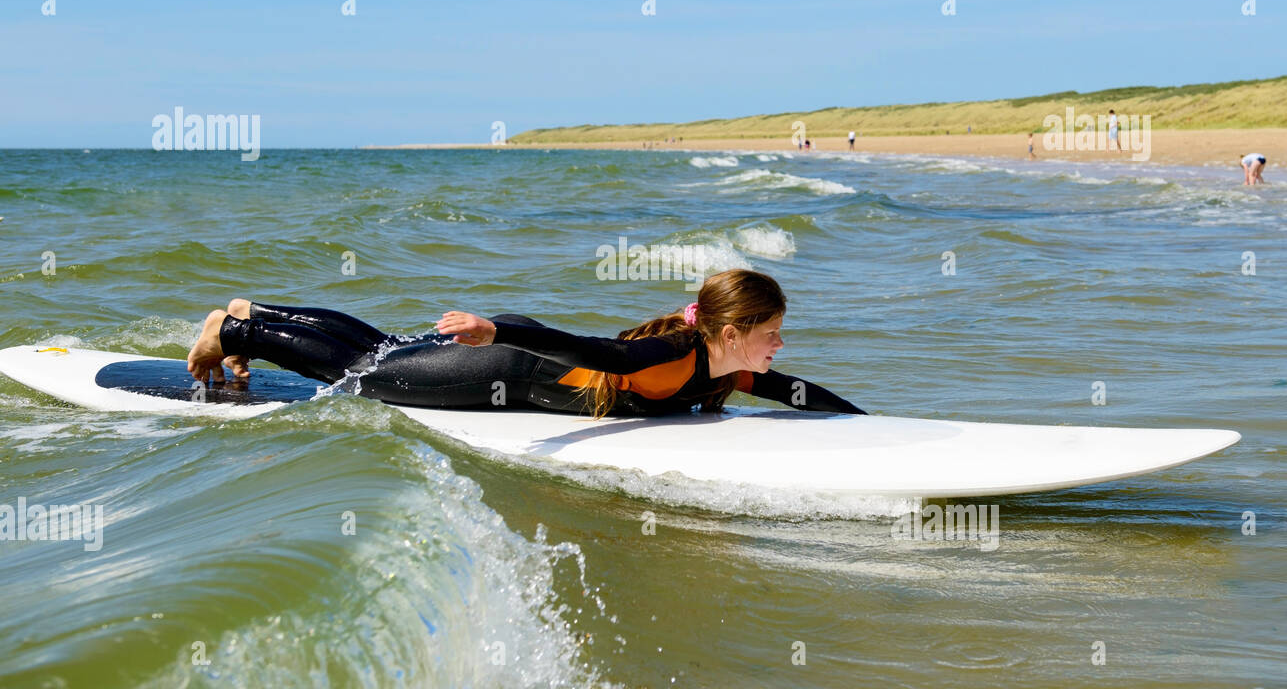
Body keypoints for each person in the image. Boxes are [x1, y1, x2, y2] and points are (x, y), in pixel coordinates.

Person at [184, 269, 868, 418]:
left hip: (512, 353)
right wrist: (493, 331)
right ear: (729, 334)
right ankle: (236, 333)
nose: (780, 346)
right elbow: (592, 353)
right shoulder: (673, 355)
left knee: (384, 344)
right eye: (771, 334)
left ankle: (257, 310)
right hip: (497, 364)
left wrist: (866, 427)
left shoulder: (725, 371)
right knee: (366, 371)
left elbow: (792, 391)